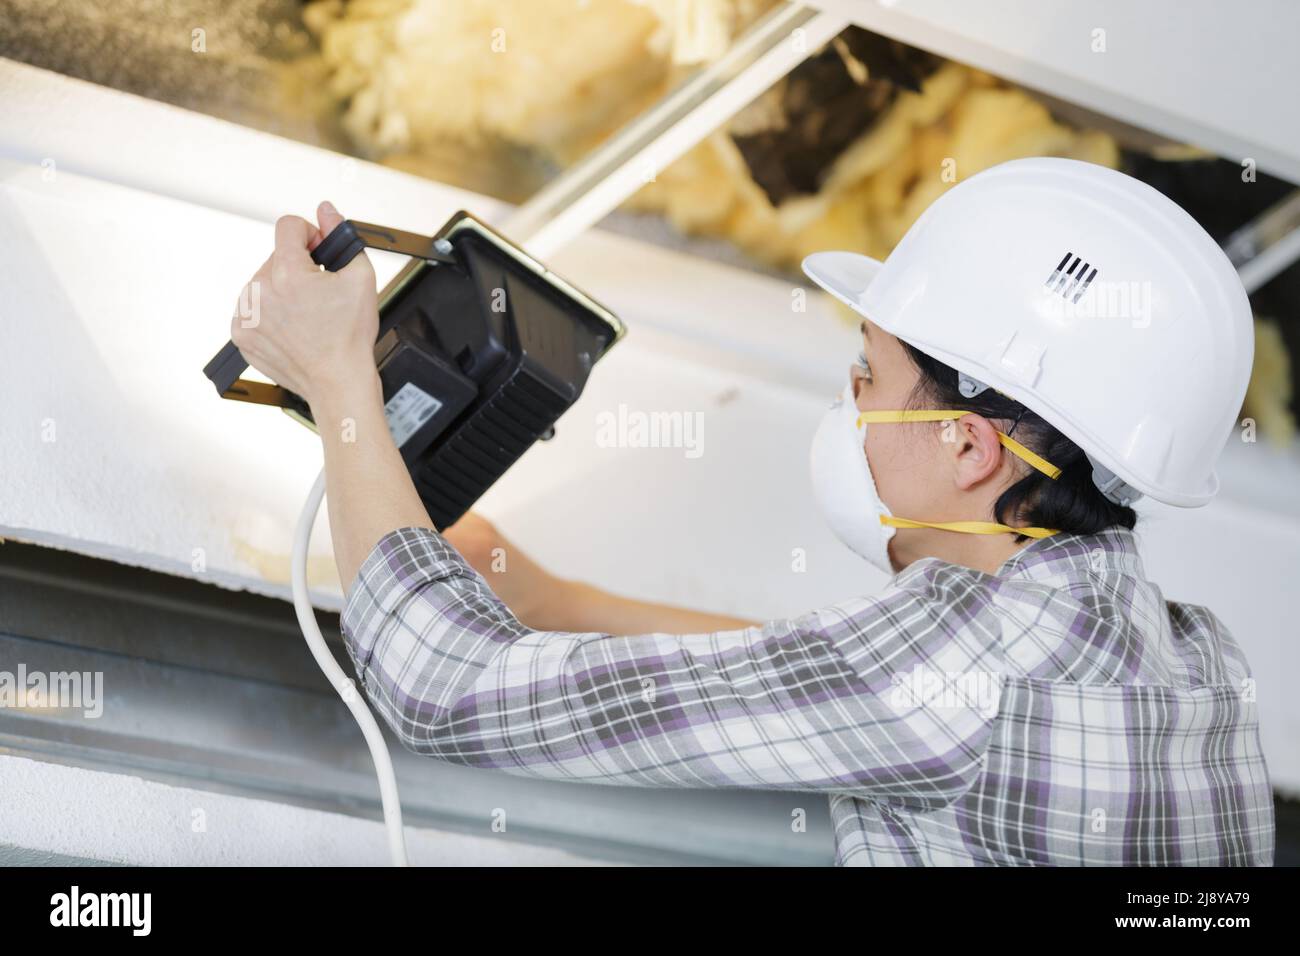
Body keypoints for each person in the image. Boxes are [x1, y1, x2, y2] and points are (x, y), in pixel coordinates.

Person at [230, 158, 1273, 865]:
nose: (850, 405)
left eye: (868, 376)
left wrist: (339, 381)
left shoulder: (951, 681)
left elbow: (441, 687)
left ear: (968, 446)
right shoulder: (1189, 656)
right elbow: (834, 678)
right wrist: (554, 599)